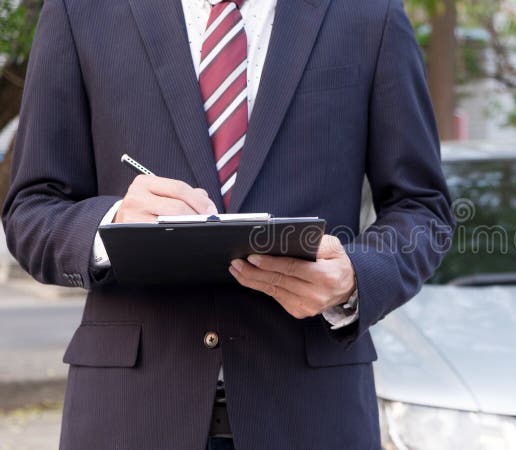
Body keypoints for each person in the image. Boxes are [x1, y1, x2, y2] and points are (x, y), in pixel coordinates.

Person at [1, 0, 453, 447]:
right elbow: (31, 209)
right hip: (129, 416)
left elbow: (423, 206)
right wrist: (112, 222)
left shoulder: (368, 15)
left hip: (312, 415)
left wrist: (355, 278)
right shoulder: (81, 12)